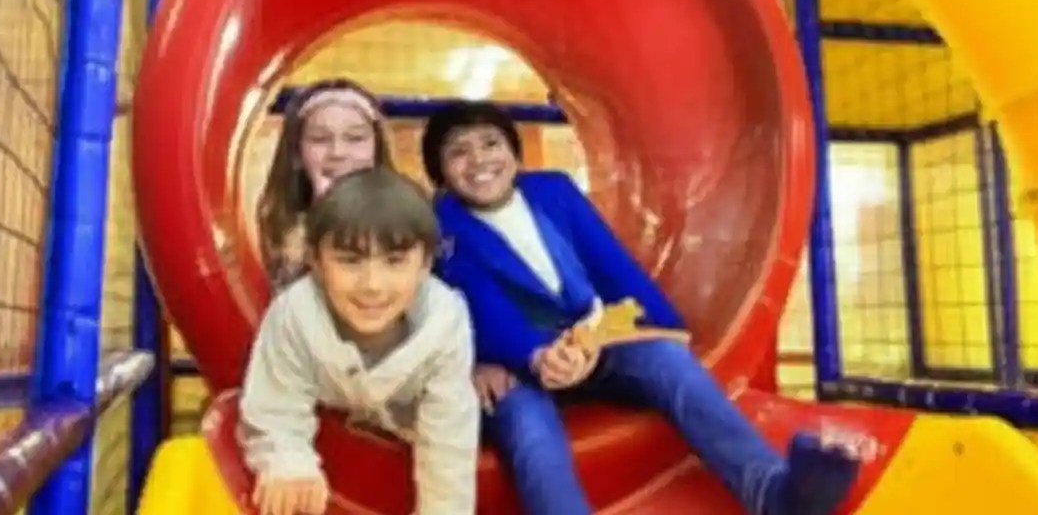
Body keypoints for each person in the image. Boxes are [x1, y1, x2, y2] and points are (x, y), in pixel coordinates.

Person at [420, 101, 872, 515]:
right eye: (458, 152)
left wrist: (656, 328)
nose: (479, 160)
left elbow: (610, 263)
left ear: (514, 152)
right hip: (513, 364)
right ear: (440, 172)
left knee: (668, 361)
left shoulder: (553, 191)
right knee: (528, 427)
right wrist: (530, 356)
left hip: (590, 339)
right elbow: (477, 301)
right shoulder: (442, 226)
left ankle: (773, 493)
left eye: (491, 143)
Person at [239, 168, 480, 515]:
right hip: (337, 445)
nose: (372, 285)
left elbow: (449, 442)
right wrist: (289, 462)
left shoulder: (444, 321)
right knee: (283, 485)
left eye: (395, 262)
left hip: (406, 436)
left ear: (426, 264)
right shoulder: (295, 313)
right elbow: (275, 406)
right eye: (350, 261)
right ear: (316, 263)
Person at [256, 78, 391, 293]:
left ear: (376, 151)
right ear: (297, 155)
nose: (337, 153)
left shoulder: (404, 219)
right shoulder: (282, 227)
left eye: (355, 138)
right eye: (319, 139)